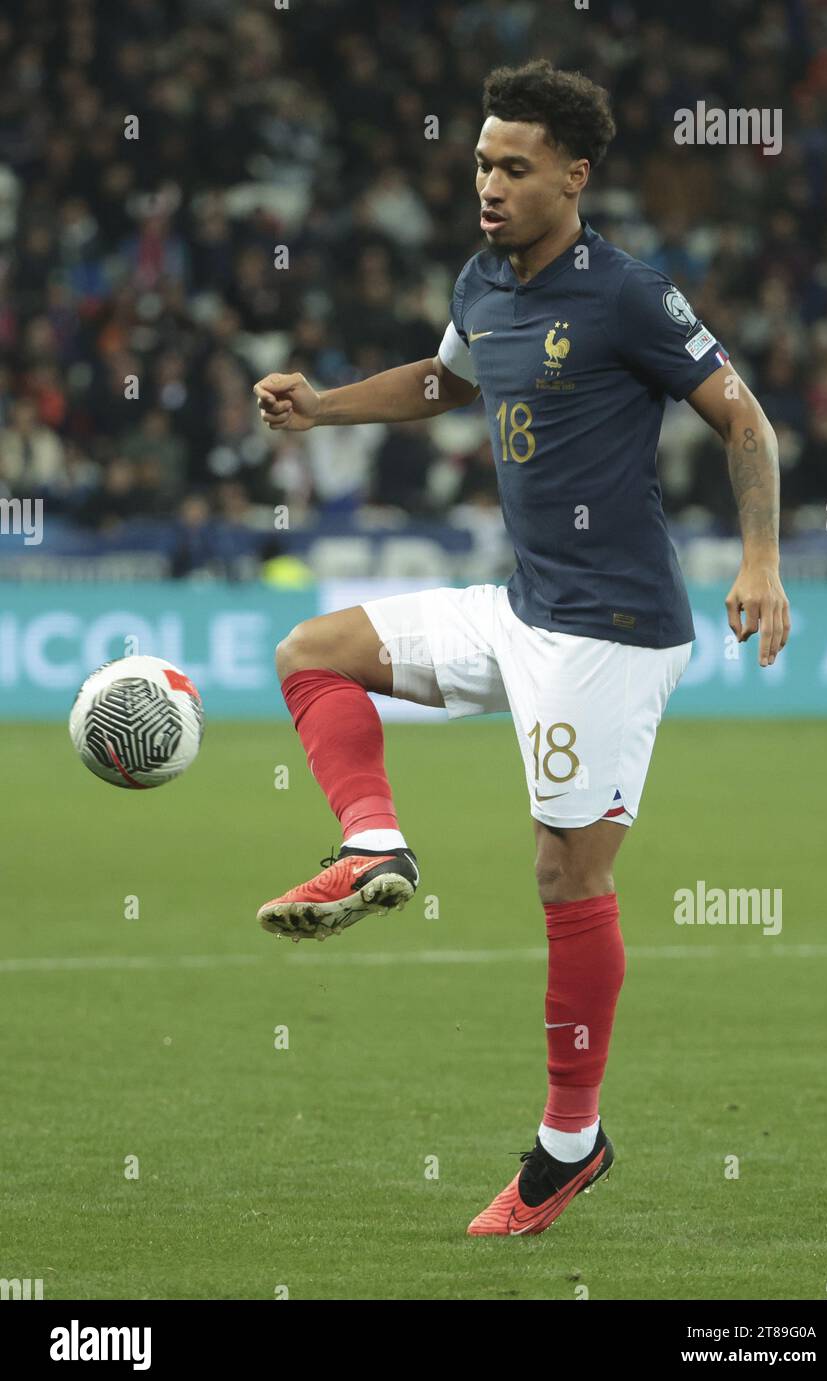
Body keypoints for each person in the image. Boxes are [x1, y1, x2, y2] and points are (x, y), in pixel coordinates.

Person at [251, 59, 790, 1238]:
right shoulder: (483, 280)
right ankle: (374, 845)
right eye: (479, 164)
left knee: (566, 878)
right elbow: (445, 378)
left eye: (511, 167)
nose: (486, 184)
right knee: (311, 649)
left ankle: (566, 1145)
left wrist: (758, 559)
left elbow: (741, 417)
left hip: (611, 632)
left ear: (572, 177)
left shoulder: (629, 296)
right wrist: (323, 404)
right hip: (522, 603)